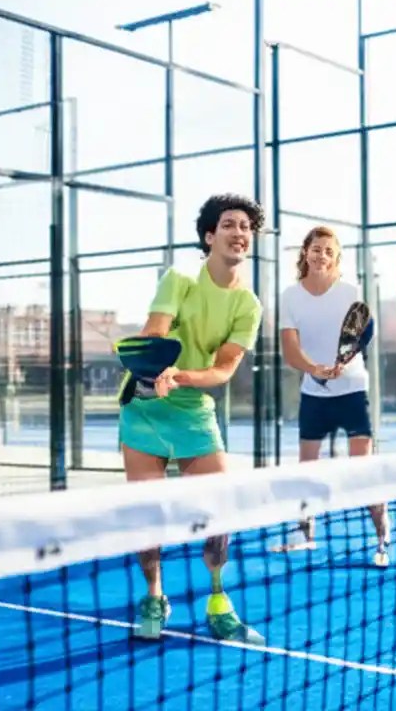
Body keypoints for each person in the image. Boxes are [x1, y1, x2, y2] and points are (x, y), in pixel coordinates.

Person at [124, 193, 265, 645]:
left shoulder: (249, 305)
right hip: (144, 408)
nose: (238, 232)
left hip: (193, 409)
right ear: (209, 236)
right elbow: (154, 333)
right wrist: (155, 369)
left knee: (219, 509)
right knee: (149, 514)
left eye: (245, 226)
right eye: (228, 224)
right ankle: (154, 597)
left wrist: (181, 376)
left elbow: (223, 369)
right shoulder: (180, 277)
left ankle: (218, 601)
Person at [275, 226, 390, 566]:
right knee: (306, 466)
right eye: (316, 248)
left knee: (363, 468)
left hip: (353, 391)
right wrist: (315, 368)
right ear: (305, 253)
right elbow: (290, 351)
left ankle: (382, 538)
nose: (321, 254)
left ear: (336, 257)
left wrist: (342, 365)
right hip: (314, 393)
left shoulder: (350, 291)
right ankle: (304, 533)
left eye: (328, 250)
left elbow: (358, 336)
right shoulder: (290, 296)